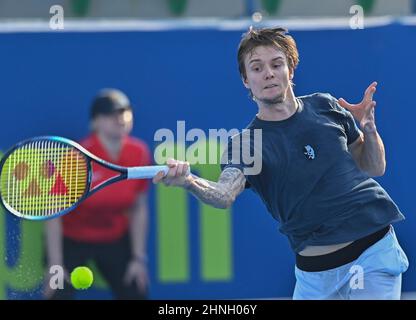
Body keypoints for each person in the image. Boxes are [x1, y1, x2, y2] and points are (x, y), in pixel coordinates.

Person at [153, 27, 409, 300]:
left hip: (372, 253)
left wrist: (369, 130)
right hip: (314, 276)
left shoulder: (326, 105)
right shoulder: (245, 144)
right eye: (257, 68)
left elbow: (373, 167)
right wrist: (189, 181)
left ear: (291, 70)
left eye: (277, 64)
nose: (268, 73)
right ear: (245, 80)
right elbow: (223, 195)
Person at [44, 88, 151, 300]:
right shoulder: (76, 158)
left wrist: (138, 258)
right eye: (111, 113)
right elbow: (53, 213)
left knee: (136, 290)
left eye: (124, 112)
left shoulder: (139, 152)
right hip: (73, 241)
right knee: (56, 293)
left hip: (114, 239)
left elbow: (138, 208)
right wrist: (55, 264)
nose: (120, 118)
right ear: (95, 122)